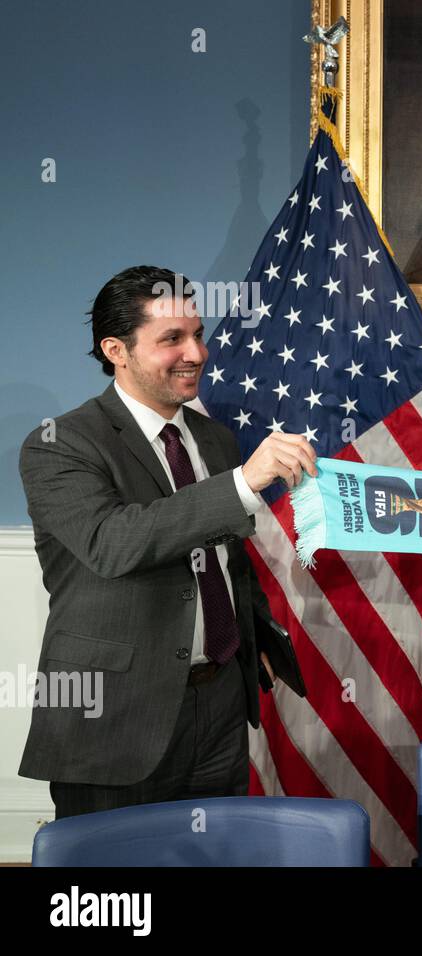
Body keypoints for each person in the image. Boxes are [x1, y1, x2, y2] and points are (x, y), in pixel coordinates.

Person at [18, 265, 317, 818]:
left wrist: (252, 637)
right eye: (172, 339)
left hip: (221, 703)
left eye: (198, 334)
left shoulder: (213, 438)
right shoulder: (58, 444)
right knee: (112, 894)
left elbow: (227, 555)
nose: (197, 353)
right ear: (116, 350)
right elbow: (114, 543)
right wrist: (242, 484)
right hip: (114, 717)